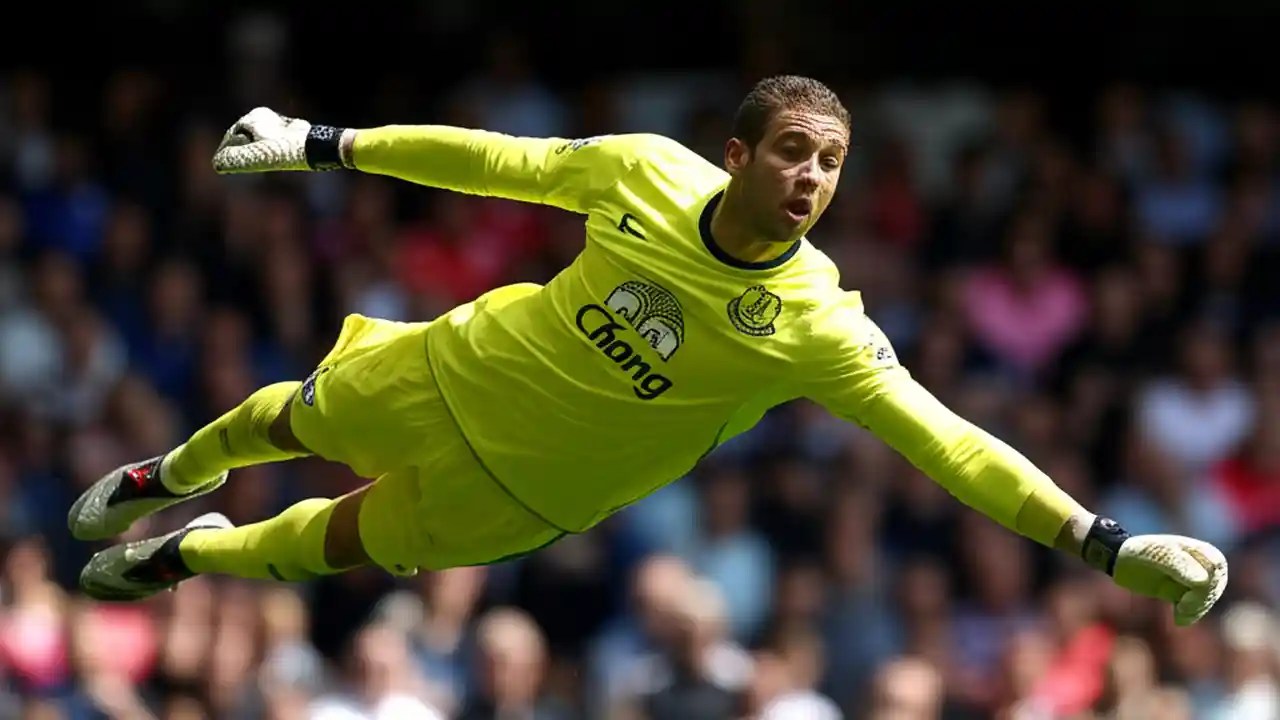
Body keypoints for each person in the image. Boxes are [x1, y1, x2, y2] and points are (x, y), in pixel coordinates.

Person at [70, 76, 1227, 628]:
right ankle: (173, 476)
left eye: (829, 163)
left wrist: (1103, 542)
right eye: (790, 153)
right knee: (285, 424)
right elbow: (495, 162)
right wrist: (322, 142)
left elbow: (947, 444)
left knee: (325, 547)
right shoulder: (641, 171)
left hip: (532, 490)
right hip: (455, 369)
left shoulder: (821, 324)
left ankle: (188, 557)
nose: (810, 180)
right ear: (736, 155)